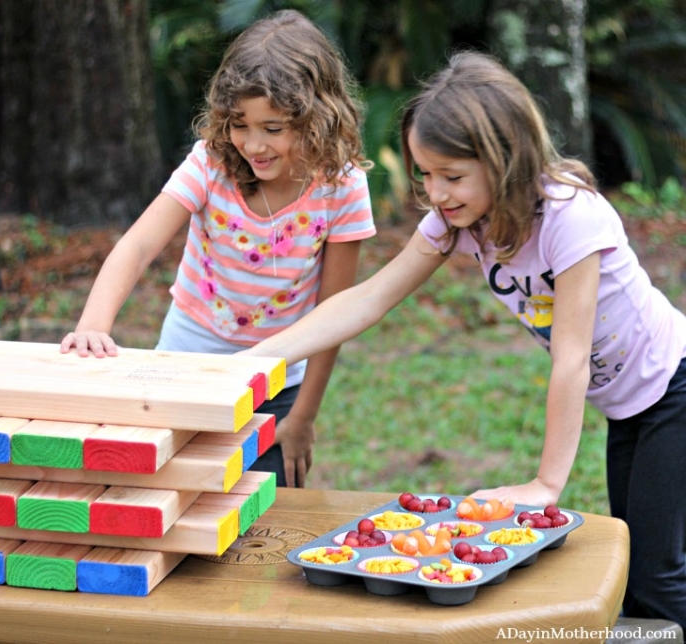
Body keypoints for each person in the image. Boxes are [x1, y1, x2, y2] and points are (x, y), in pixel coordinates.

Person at [239, 51, 686, 627]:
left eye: (451, 176)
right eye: (425, 174)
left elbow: (571, 358)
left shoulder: (572, 217)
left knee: (657, 578)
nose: (436, 192)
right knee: (639, 572)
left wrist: (548, 482)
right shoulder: (461, 222)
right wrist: (250, 360)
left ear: (503, 161)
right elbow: (369, 298)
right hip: (629, 403)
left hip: (672, 387)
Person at [60, 10, 376, 489]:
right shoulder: (211, 162)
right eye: (240, 124)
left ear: (316, 119)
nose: (253, 144)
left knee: (261, 519)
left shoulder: (342, 186)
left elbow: (333, 314)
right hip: (185, 365)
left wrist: (304, 417)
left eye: (273, 128)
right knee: (168, 496)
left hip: (279, 385)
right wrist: (93, 326)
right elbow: (140, 242)